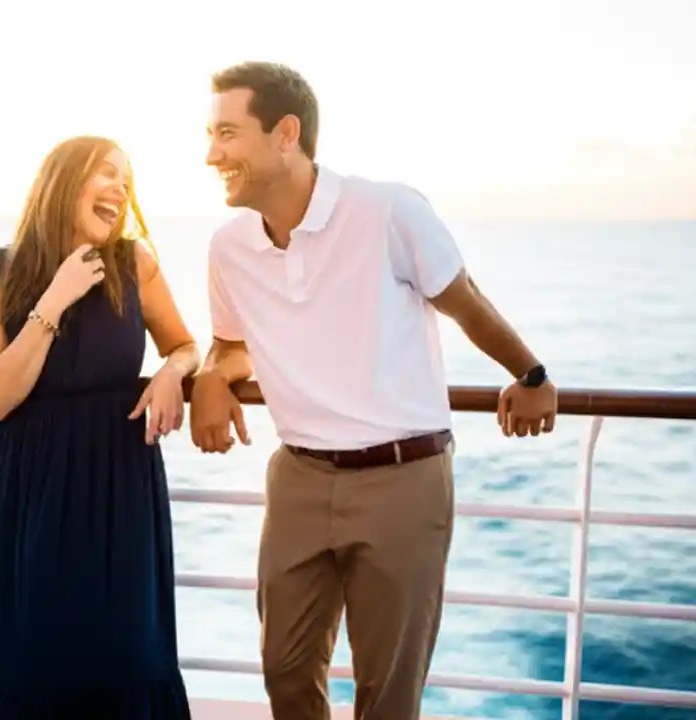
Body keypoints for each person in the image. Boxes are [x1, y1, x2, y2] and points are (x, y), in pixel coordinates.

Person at [188, 62, 559, 720]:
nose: (210, 153)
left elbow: (466, 303)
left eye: (227, 134)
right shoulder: (228, 247)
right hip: (298, 477)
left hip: (402, 479)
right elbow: (231, 342)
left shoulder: (387, 209)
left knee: (387, 693)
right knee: (284, 670)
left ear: (285, 134)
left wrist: (530, 375)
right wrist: (214, 376)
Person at [0, 135, 198, 719]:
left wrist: (172, 372)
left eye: (126, 182)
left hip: (117, 489)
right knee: (25, 656)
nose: (120, 191)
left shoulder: (136, 264)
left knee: (125, 653)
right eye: (107, 174)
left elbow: (184, 344)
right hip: (28, 491)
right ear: (63, 182)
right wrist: (55, 298)